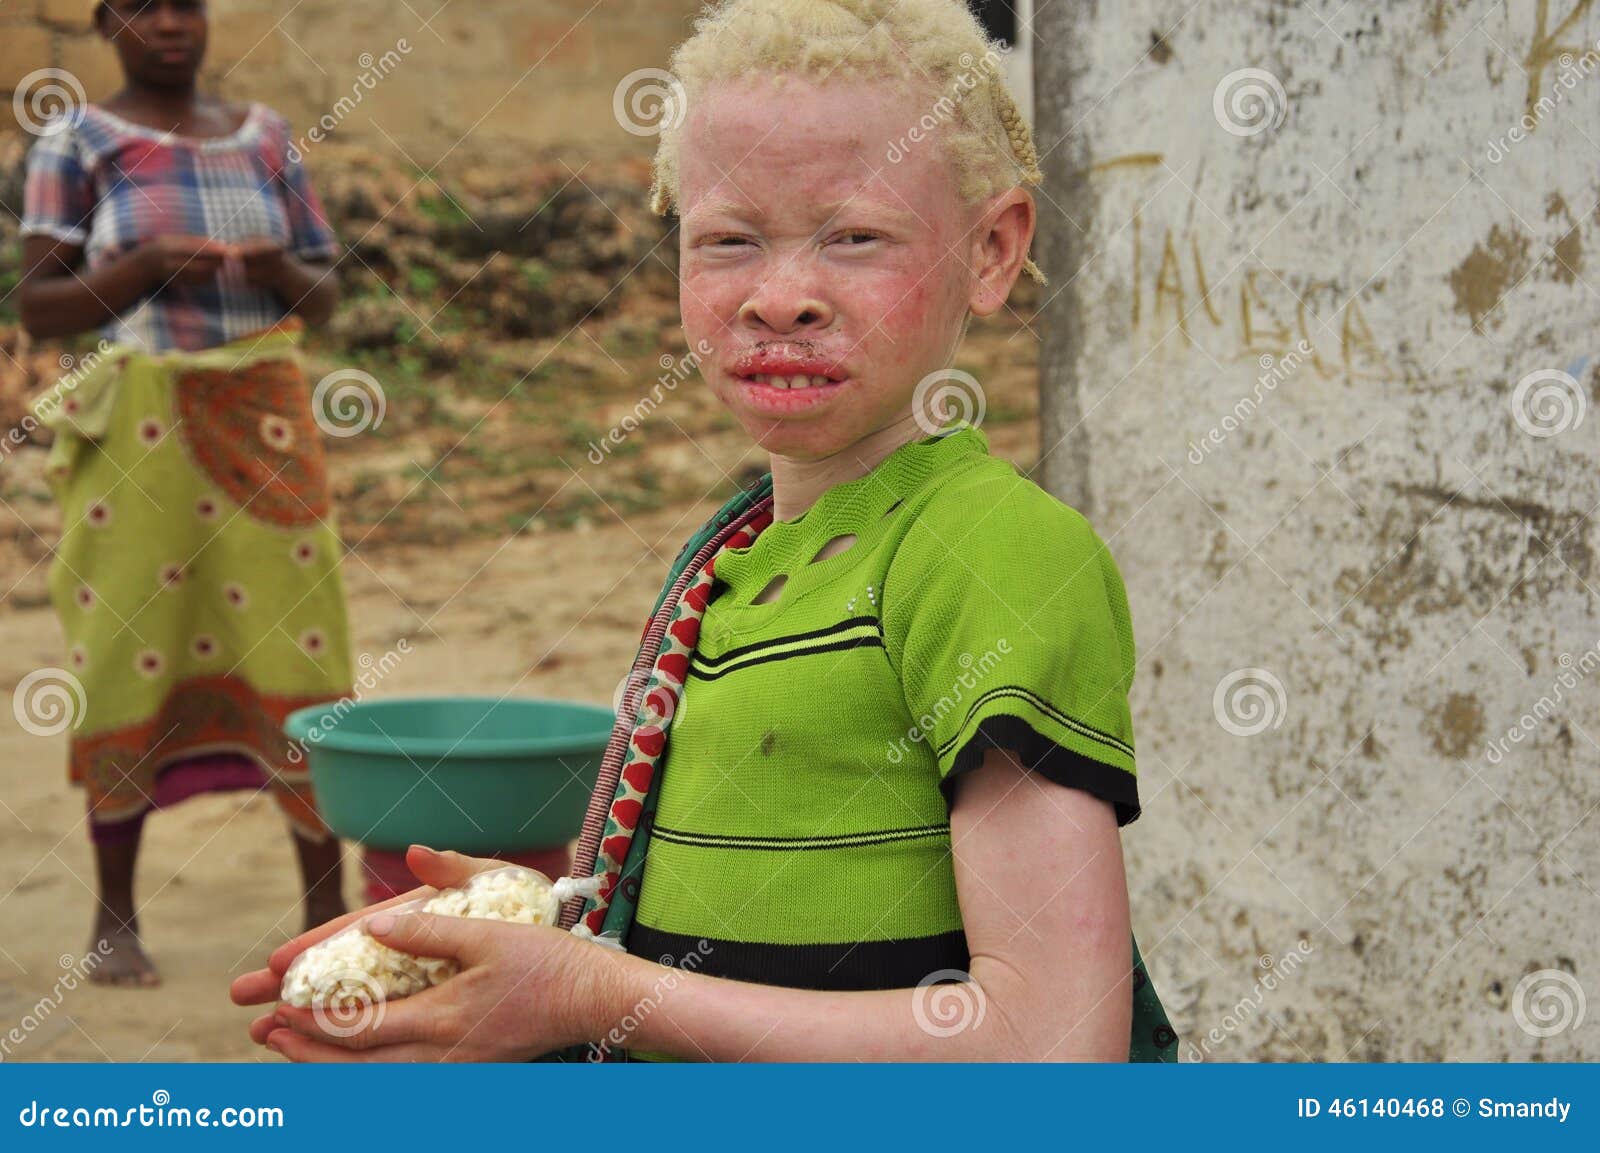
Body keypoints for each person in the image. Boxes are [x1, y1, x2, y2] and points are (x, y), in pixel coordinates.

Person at [233, 0, 1178, 1061]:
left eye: (855, 236)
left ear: (992, 249)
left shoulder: (990, 554)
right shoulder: (736, 561)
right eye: (729, 240)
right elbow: (760, 935)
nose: (781, 299)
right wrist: (520, 931)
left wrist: (593, 995)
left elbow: (1051, 1044)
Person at [18, 0, 352, 986]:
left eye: (187, 6)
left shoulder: (267, 139)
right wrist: (144, 267)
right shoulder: (74, 139)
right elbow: (40, 303)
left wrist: (272, 264)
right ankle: (114, 919)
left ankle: (324, 914)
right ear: (107, 22)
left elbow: (325, 295)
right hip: (141, 436)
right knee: (128, 647)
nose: (171, 24)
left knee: (303, 644)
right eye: (144, 8)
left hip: (268, 417)